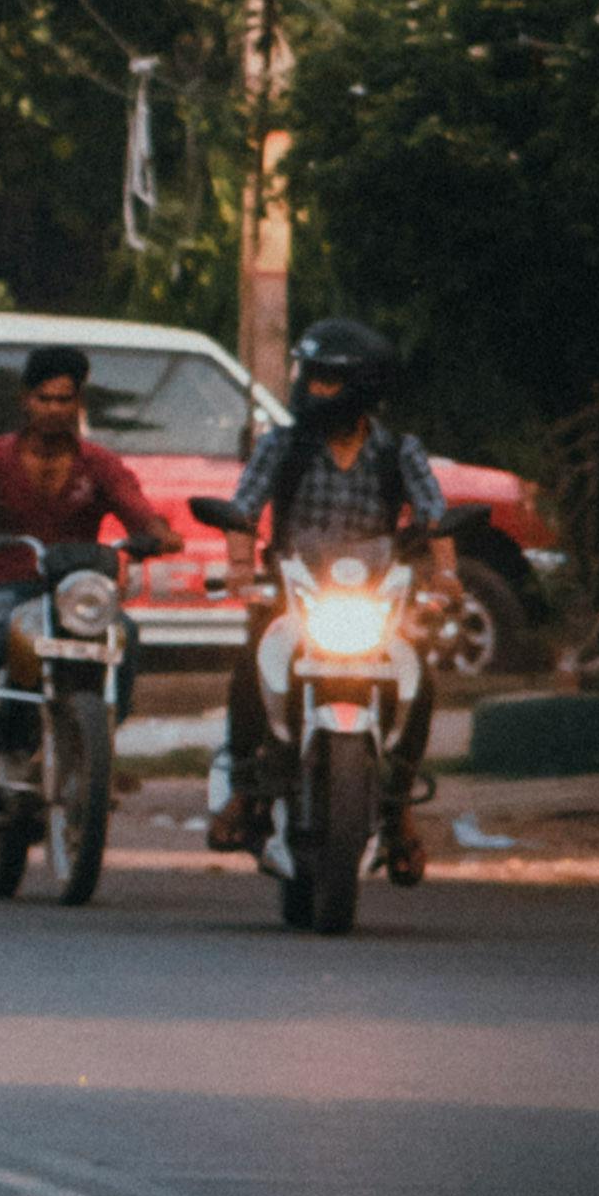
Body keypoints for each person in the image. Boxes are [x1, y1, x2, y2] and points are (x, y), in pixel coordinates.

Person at [202, 318, 454, 860]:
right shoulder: (282, 446)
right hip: (293, 591)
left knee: (420, 677)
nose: (310, 389)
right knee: (251, 664)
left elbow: (435, 518)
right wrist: (241, 570)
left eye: (324, 380)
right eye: (309, 377)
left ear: (361, 388)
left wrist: (448, 577)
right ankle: (245, 790)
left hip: (375, 598)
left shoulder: (398, 451)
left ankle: (400, 803)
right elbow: (242, 511)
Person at [0, 347, 180, 828]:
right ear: (26, 400)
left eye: (66, 399)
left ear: (79, 403)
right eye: (45, 398)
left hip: (77, 591)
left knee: (125, 637)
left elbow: (136, 507)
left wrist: (158, 533)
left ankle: (96, 751)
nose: (55, 409)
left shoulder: (99, 464)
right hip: (10, 585)